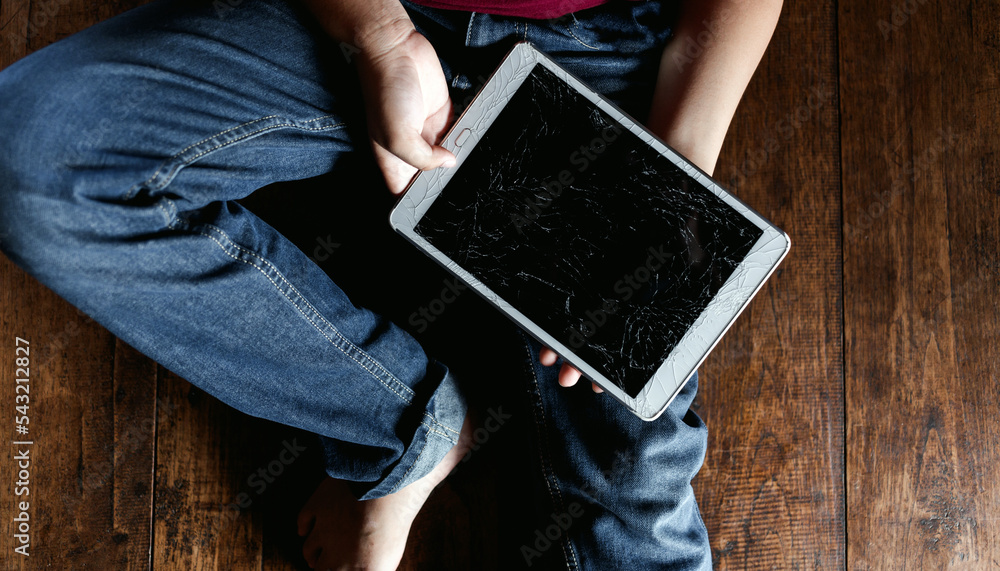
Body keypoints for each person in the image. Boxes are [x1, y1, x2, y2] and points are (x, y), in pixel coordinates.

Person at [0, 0, 781, 568]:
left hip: (607, 45)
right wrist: (375, 32)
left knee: (634, 477)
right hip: (349, 19)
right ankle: (407, 420)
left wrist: (665, 189)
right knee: (32, 163)